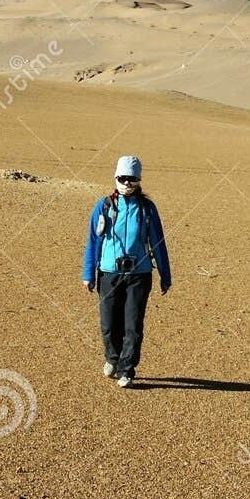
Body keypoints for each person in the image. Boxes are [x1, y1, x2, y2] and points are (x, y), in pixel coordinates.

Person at [81, 155, 172, 388]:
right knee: (110, 324)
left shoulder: (147, 209)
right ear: (115, 178)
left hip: (139, 276)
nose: (127, 183)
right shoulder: (103, 206)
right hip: (109, 274)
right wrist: (88, 274)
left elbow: (158, 243)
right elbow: (93, 241)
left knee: (133, 324)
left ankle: (127, 369)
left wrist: (165, 275)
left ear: (139, 180)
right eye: (123, 178)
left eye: (132, 179)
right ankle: (112, 358)